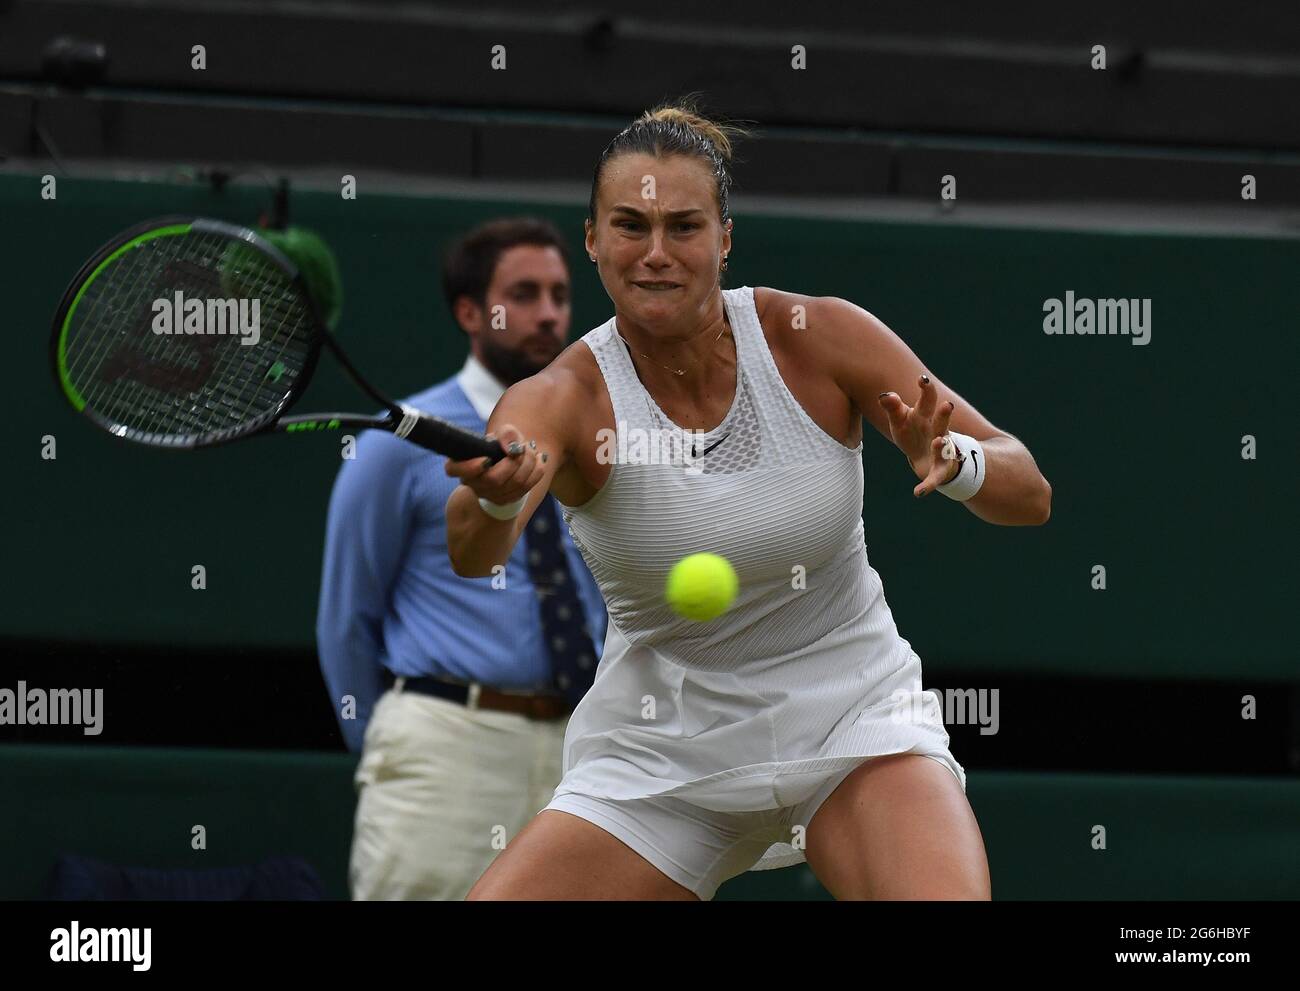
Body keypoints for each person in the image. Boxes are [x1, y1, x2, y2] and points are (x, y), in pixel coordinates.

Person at [444, 100, 1051, 901]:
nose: (656, 252)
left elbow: (1028, 489)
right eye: (630, 226)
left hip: (853, 719)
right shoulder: (562, 397)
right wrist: (493, 501)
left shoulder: (818, 335)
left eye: (685, 227)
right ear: (592, 240)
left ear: (725, 239)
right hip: (662, 752)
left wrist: (959, 459)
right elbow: (473, 551)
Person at [316, 217, 608, 900]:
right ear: (470, 311)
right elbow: (345, 618)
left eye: (560, 295)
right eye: (525, 294)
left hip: (585, 753)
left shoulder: (592, 437)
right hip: (445, 746)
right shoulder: (394, 446)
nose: (548, 314)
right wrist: (393, 746)